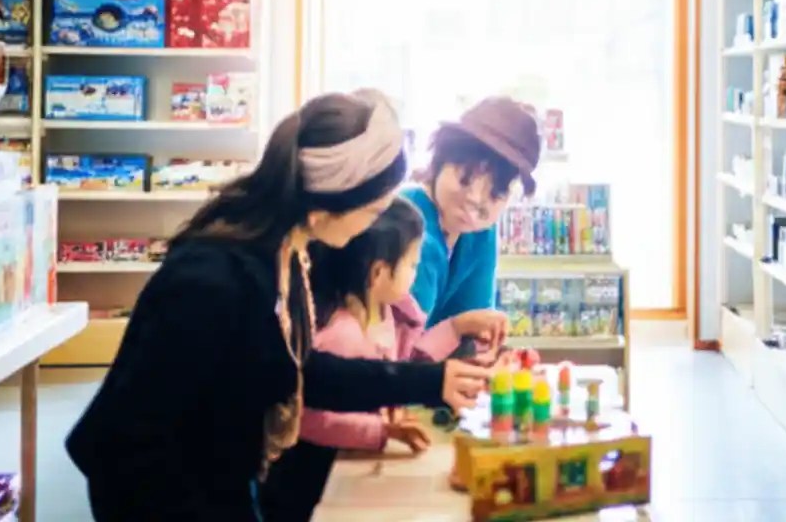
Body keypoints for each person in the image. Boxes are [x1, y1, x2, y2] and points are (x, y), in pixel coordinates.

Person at [65, 91, 492, 522]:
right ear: (332, 203)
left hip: (215, 476)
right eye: (373, 209)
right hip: (159, 496)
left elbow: (296, 370)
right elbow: (133, 440)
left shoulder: (285, 251)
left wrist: (430, 380)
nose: (372, 225)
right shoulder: (215, 278)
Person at [260, 198, 508, 521]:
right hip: (314, 484)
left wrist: (457, 327)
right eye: (412, 265)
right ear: (378, 272)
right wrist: (379, 430)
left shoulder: (388, 313)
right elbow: (311, 419)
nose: (414, 274)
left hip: (357, 467)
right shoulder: (340, 334)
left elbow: (407, 364)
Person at [403, 97, 542, 326]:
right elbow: (399, 348)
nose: (474, 198)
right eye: (465, 178)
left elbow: (475, 327)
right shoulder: (406, 221)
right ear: (439, 162)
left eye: (495, 192)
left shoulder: (480, 235)